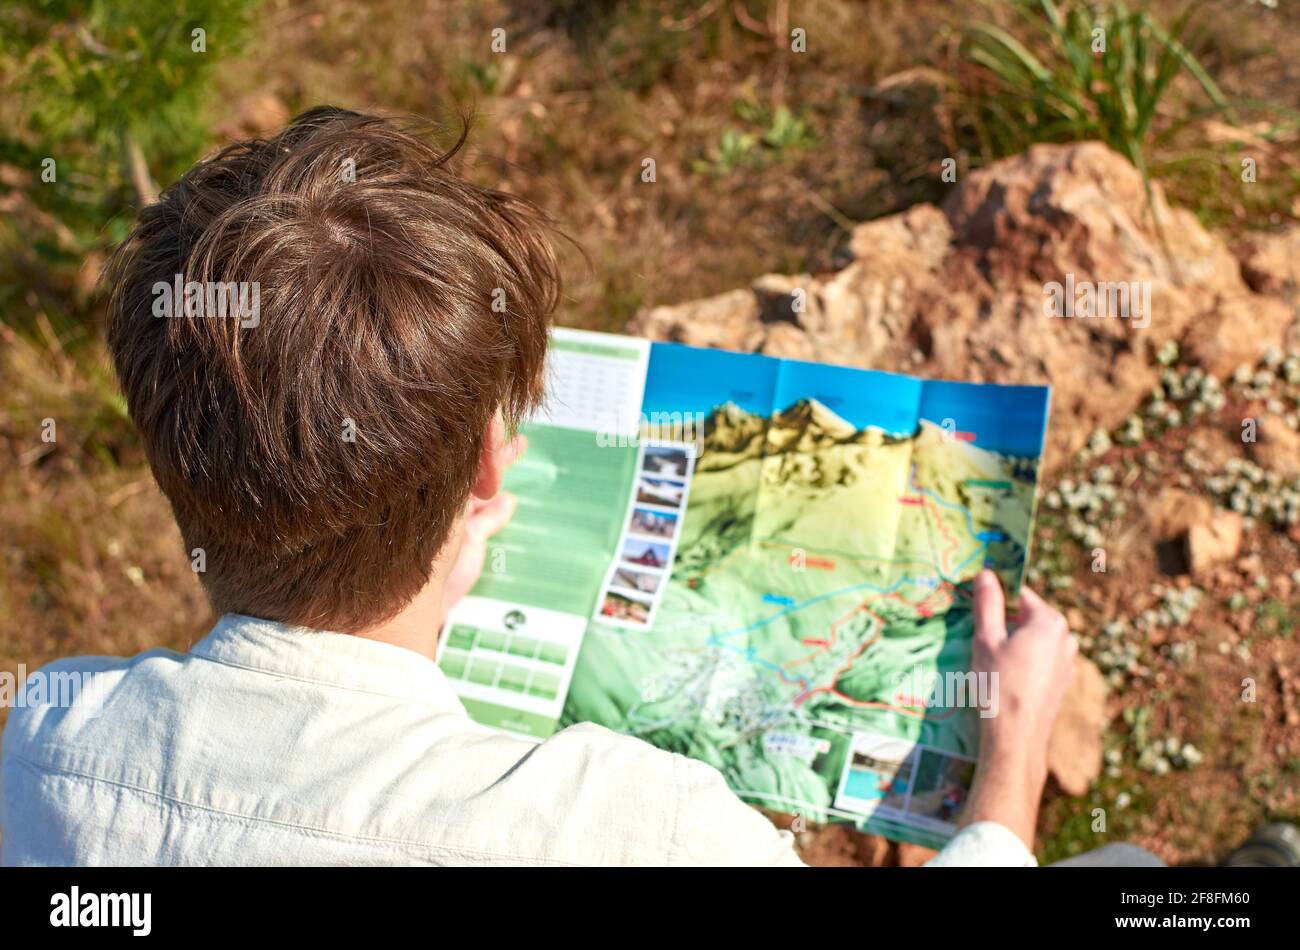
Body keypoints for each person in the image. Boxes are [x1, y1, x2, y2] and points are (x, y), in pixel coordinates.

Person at [0, 108, 1080, 866]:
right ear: (486, 465)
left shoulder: (45, 743)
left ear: (163, 451)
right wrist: (1012, 756)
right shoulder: (645, 831)